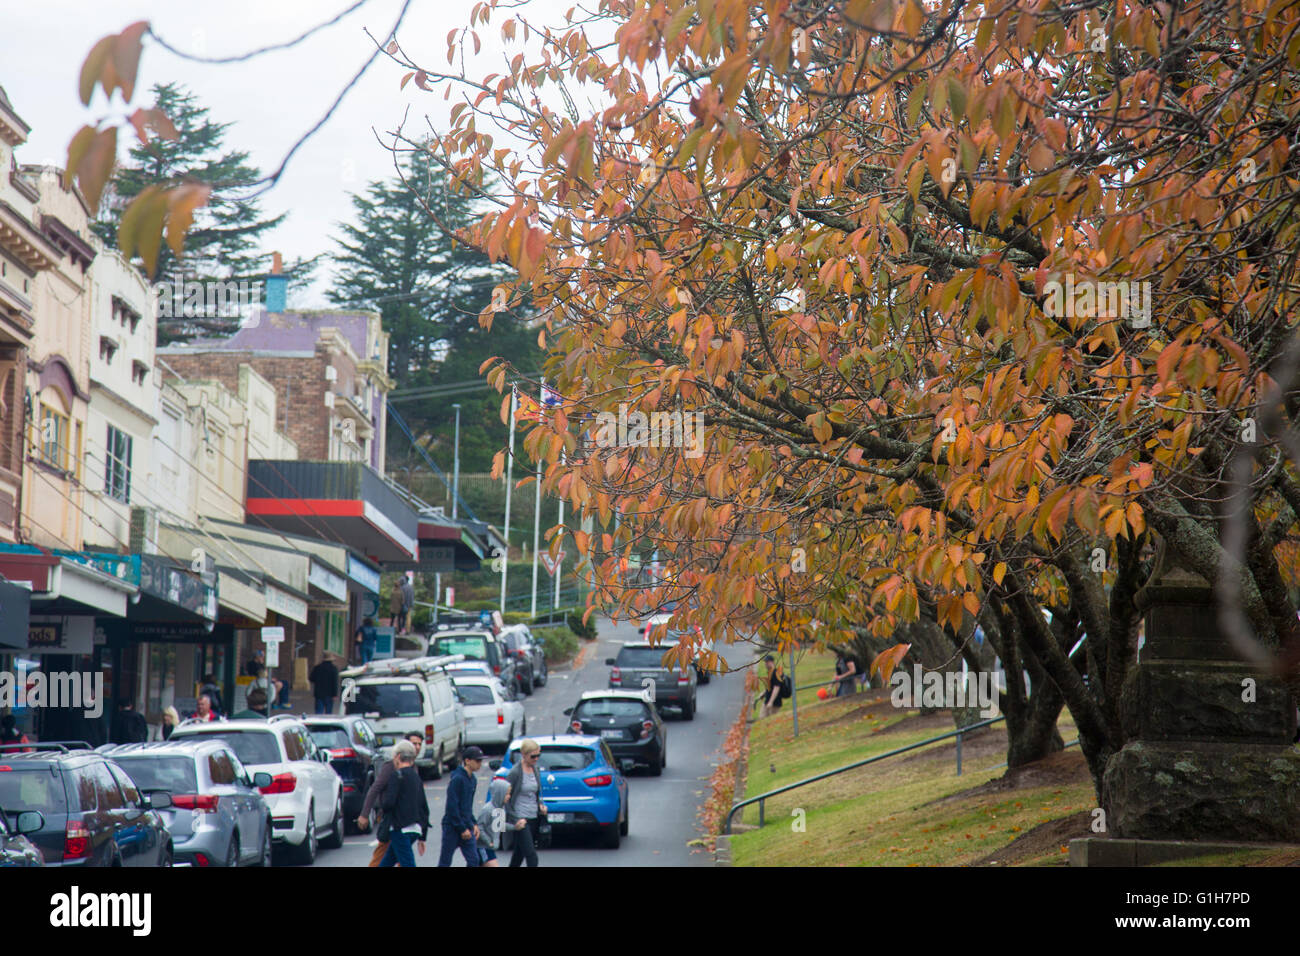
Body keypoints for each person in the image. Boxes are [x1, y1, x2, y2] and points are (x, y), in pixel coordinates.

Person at [358, 731, 425, 866]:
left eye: (419, 744)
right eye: (413, 743)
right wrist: (365, 814)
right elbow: (375, 788)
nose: (416, 747)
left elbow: (419, 800)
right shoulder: (392, 766)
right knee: (381, 857)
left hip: (407, 822)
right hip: (392, 820)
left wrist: (422, 832)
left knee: (396, 858)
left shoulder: (413, 769)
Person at [379, 741, 430, 868]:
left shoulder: (396, 776)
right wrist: (423, 836)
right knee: (388, 860)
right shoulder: (416, 777)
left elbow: (389, 803)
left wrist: (382, 807)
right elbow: (424, 807)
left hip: (399, 828)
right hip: (415, 828)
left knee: (407, 863)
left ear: (398, 756)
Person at [504, 738, 548, 867]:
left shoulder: (535, 769)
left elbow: (536, 792)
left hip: (533, 815)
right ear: (523, 754)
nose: (536, 759)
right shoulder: (515, 772)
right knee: (531, 855)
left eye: (538, 755)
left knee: (519, 853)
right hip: (520, 819)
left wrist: (540, 804)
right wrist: (514, 818)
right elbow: (505, 797)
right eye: (533, 756)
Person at [439, 745, 483, 867]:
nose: (480, 764)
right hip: (452, 826)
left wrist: (473, 823)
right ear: (467, 761)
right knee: (445, 861)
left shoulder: (472, 779)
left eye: (481, 761)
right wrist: (461, 828)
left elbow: (468, 806)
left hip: (466, 825)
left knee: (474, 860)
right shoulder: (457, 779)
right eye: (477, 761)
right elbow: (452, 806)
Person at [476, 775, 510, 867]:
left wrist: (516, 827)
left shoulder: (500, 808)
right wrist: (488, 842)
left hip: (489, 847)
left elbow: (499, 826)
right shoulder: (488, 809)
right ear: (500, 793)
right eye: (507, 794)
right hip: (482, 847)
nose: (509, 797)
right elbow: (479, 827)